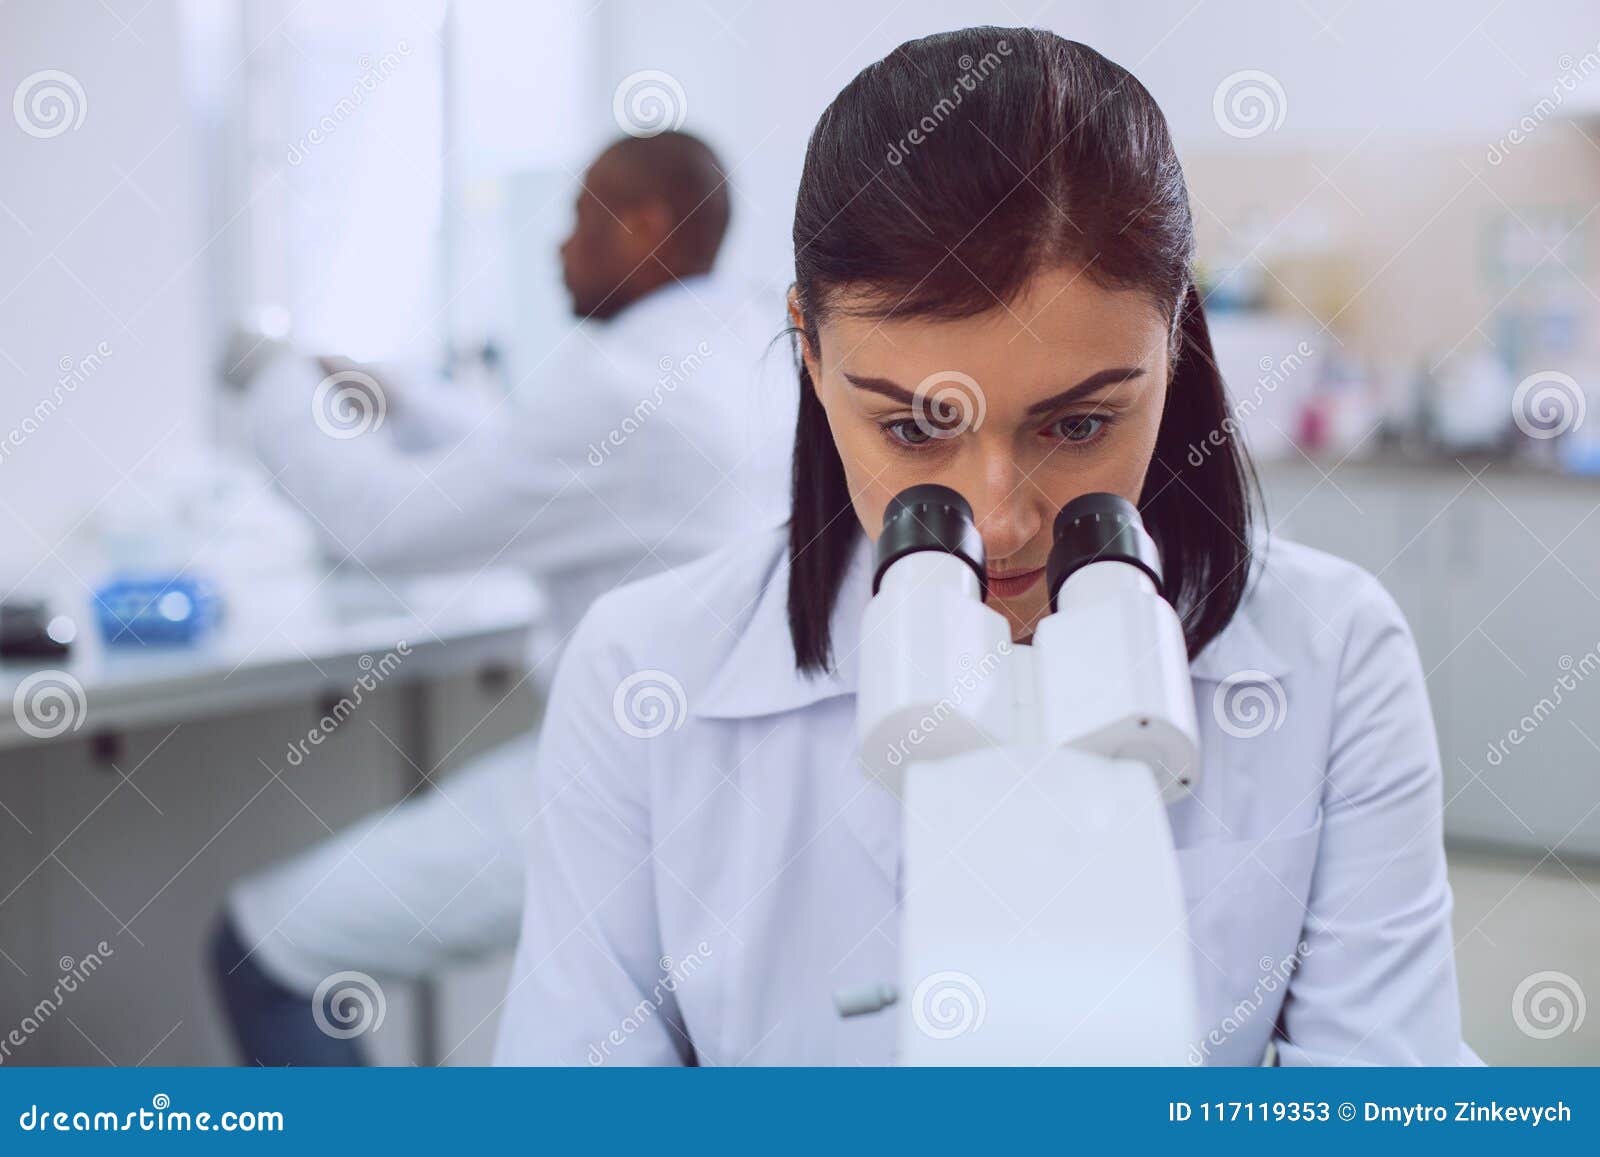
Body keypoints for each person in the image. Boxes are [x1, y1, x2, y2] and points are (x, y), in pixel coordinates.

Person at [493, 29, 1475, 1066]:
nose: (1000, 519)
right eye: (915, 428)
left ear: (1176, 333)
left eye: (1079, 424)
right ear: (809, 348)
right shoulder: (643, 671)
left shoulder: (1331, 653)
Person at [210, 131, 791, 1065]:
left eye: (579, 219)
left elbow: (385, 524)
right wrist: (396, 395)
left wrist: (271, 377)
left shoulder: (622, 386)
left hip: (627, 791)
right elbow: (528, 451)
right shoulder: (757, 349)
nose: (558, 246)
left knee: (262, 948)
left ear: (645, 227)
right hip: (744, 783)